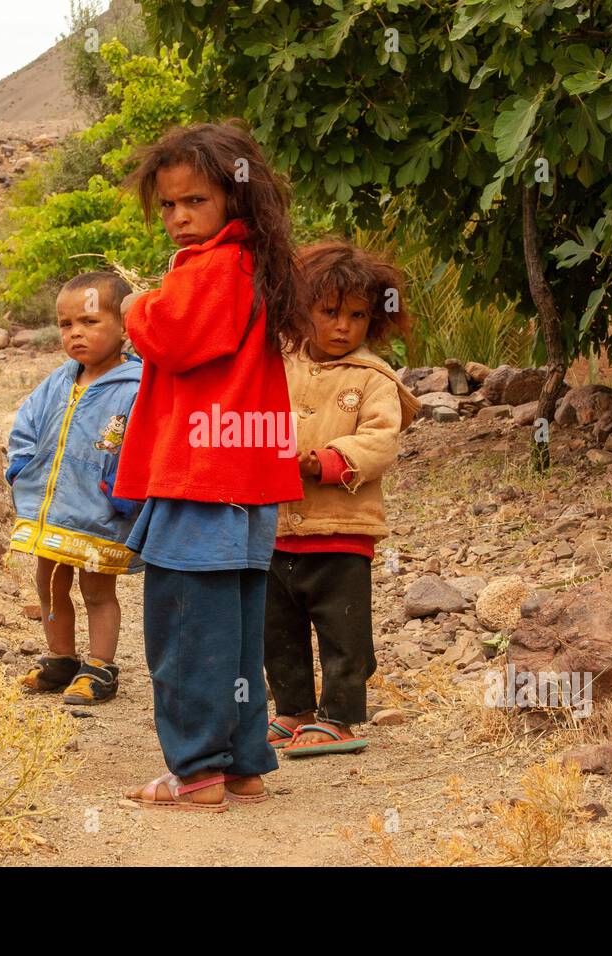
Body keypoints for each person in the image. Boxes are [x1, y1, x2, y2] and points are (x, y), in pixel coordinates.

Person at [114, 122, 304, 811]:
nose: (178, 219)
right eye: (167, 206)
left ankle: (194, 772)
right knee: (234, 629)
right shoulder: (256, 263)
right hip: (245, 477)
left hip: (202, 472)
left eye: (193, 202)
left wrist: (135, 305)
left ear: (235, 197)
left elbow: (173, 335)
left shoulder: (215, 267)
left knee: (187, 629)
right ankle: (241, 764)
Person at [264, 239, 420, 757]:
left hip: (342, 529)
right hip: (275, 527)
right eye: (328, 312)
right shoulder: (276, 364)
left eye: (356, 316)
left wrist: (327, 459)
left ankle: (339, 716)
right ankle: (292, 711)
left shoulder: (373, 378)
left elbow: (381, 439)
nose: (342, 327)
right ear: (300, 308)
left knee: (342, 628)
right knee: (277, 629)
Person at [5, 271, 143, 706]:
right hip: (52, 506)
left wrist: (126, 488)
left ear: (124, 326)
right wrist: (22, 466)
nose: (76, 334)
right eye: (66, 325)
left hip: (100, 509)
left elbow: (142, 442)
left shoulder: (137, 386)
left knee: (97, 592)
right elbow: (26, 423)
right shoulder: (59, 381)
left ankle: (101, 667)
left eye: (89, 322)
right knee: (48, 586)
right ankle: (60, 658)